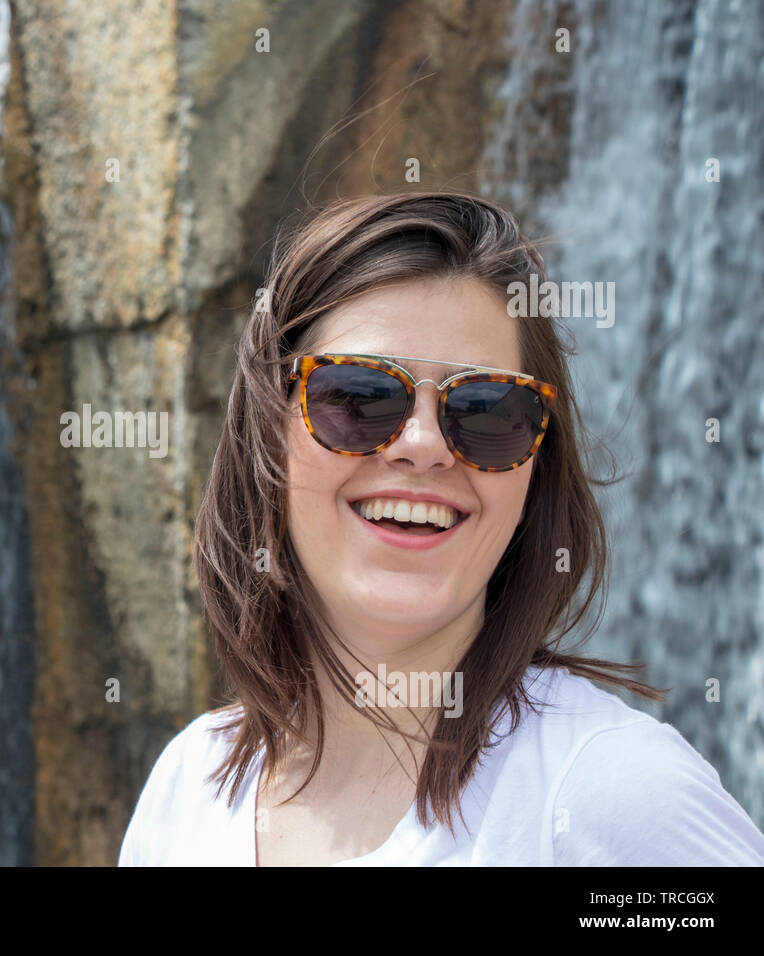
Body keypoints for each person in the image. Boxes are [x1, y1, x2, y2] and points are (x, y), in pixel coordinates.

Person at [118, 192, 764, 866]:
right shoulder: (189, 787)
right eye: (359, 396)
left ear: (534, 470)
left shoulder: (611, 797)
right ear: (267, 433)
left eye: (486, 410)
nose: (424, 444)